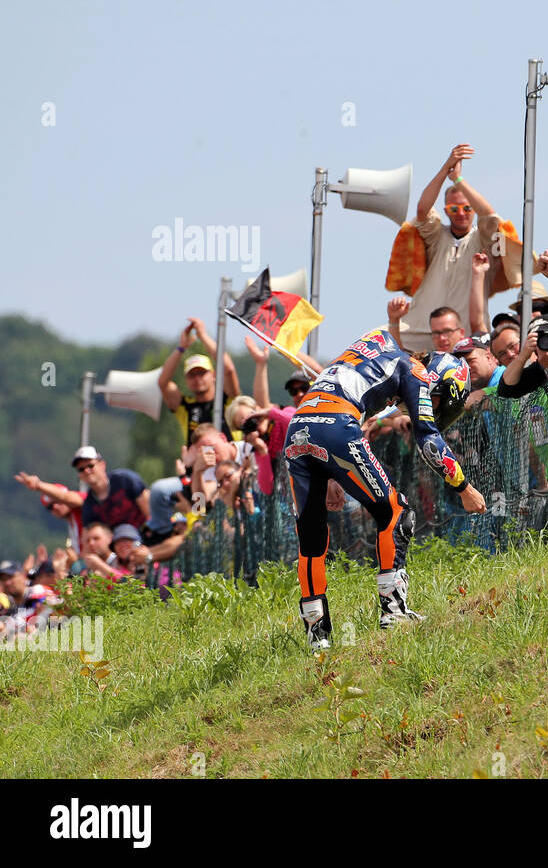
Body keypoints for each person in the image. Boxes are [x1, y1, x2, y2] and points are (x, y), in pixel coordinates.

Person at [286, 328, 485, 649]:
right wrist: (463, 487)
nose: (435, 408)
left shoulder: (377, 349)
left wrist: (332, 476)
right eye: (440, 401)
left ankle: (316, 637)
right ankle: (394, 610)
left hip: (299, 427)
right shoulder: (416, 371)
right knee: (395, 512)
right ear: (442, 382)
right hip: (337, 423)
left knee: (311, 538)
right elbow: (428, 438)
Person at [405, 144, 502, 354]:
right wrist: (445, 170)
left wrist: (458, 180)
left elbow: (490, 216)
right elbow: (422, 210)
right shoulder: (437, 235)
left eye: (467, 208)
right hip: (423, 330)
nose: (461, 213)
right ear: (446, 211)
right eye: (454, 209)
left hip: (466, 333)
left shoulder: (482, 238)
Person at [158, 317, 241, 442]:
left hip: (229, 461)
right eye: (192, 375)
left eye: (202, 373)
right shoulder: (185, 406)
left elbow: (228, 369)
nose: (197, 379)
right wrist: (181, 348)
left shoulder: (229, 399)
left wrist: (203, 336)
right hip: (197, 461)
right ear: (186, 379)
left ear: (213, 375)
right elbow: (163, 383)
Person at [71, 446, 150, 532]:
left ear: (102, 465)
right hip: (120, 543)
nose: (86, 471)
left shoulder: (126, 480)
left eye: (90, 466)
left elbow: (151, 513)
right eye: (81, 469)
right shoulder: (89, 506)